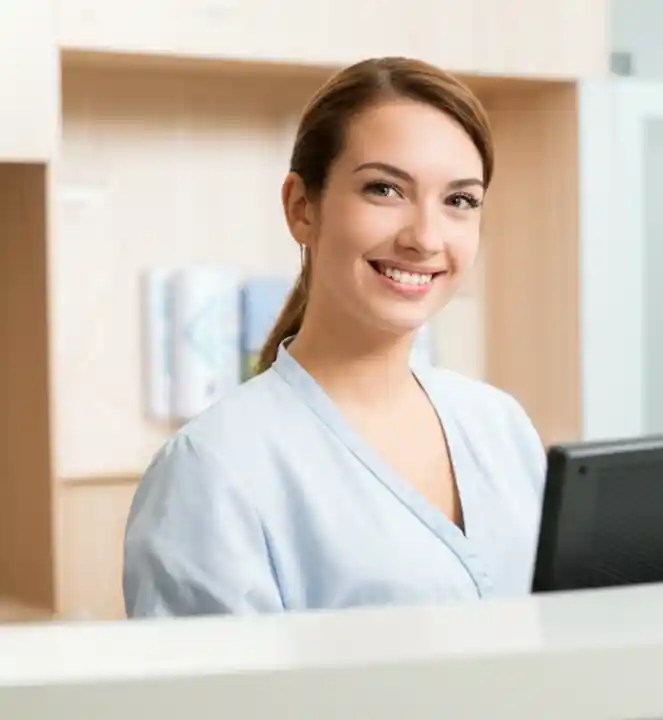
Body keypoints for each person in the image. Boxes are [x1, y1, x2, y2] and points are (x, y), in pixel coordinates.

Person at [122, 57, 546, 617]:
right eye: (385, 189)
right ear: (302, 208)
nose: (424, 238)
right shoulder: (213, 469)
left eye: (459, 200)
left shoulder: (501, 426)